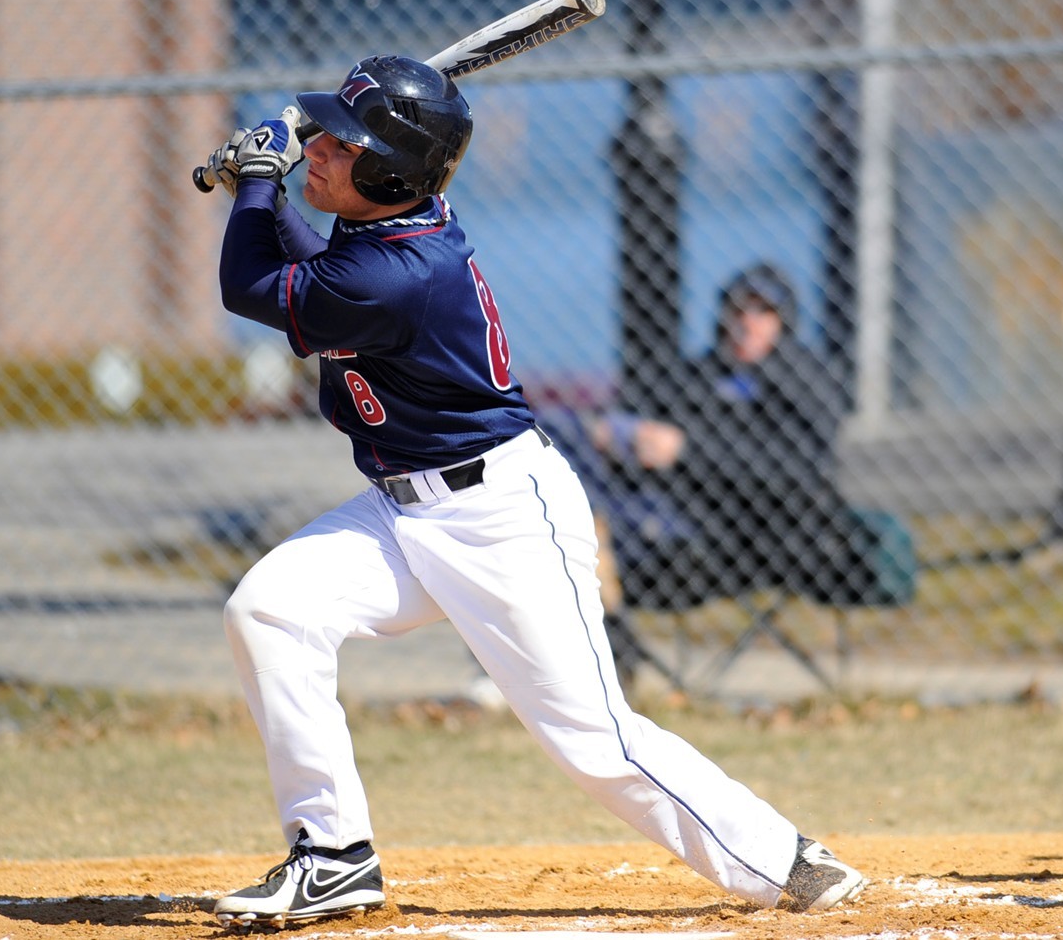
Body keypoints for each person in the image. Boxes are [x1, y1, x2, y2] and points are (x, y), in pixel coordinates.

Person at [197, 55, 866, 932]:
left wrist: (256, 183)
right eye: (320, 135)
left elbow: (252, 286)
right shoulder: (383, 231)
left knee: (591, 739)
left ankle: (785, 861)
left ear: (392, 174)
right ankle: (332, 857)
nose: (318, 147)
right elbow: (300, 275)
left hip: (499, 516)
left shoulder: (399, 272)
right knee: (271, 610)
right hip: (402, 512)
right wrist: (275, 187)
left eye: (341, 141)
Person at [544, 263, 887, 685]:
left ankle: (605, 634)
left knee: (572, 535)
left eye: (763, 312)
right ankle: (597, 634)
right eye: (739, 310)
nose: (747, 323)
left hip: (742, 533)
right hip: (658, 507)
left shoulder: (805, 380)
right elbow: (645, 414)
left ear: (784, 321)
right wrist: (620, 435)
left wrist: (686, 451)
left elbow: (794, 469)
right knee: (559, 432)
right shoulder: (698, 375)